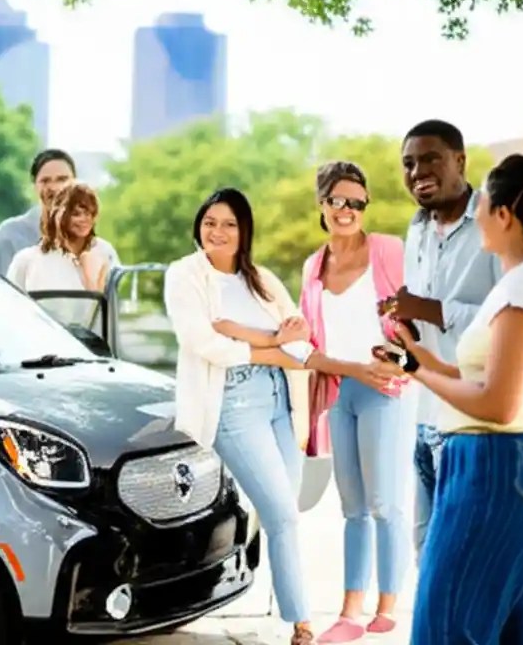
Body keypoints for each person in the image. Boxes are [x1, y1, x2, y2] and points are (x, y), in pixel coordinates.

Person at [388, 154, 523, 645]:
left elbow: (496, 403)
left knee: (445, 631)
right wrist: (418, 358)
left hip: (498, 469)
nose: (475, 214)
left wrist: (417, 372)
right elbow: (480, 378)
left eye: (482, 205)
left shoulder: (521, 289)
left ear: (503, 214)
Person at [163, 187, 316, 645]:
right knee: (284, 515)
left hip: (280, 400)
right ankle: (300, 622)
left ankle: (276, 609)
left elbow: (301, 340)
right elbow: (203, 342)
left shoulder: (263, 279)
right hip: (231, 403)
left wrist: (245, 336)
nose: (218, 231)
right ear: (199, 226)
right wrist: (273, 345)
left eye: (229, 223)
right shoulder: (185, 275)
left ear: (244, 230)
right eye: (210, 222)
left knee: (282, 513)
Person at [297, 162, 412, 642]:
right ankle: (350, 610)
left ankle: (387, 607)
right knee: (353, 508)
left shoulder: (387, 250)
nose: (347, 210)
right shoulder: (313, 266)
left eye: (357, 202)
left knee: (385, 502)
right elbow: (309, 343)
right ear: (323, 204)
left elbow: (418, 314)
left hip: (386, 389)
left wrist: (402, 358)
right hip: (340, 392)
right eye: (338, 201)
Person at [387, 119, 502, 558]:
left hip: (471, 423)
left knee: (465, 555)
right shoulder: (416, 229)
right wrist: (406, 332)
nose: (418, 171)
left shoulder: (496, 224)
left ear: (460, 160)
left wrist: (429, 310)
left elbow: (510, 322)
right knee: (426, 553)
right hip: (425, 416)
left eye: (431, 158)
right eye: (409, 163)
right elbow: (422, 310)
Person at [6, 183, 118, 326]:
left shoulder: (104, 252)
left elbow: (113, 313)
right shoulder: (28, 260)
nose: (84, 219)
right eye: (76, 214)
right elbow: (10, 309)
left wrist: (92, 279)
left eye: (88, 213)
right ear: (60, 215)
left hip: (92, 346)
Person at [0, 149, 79, 274]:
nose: (55, 187)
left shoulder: (90, 240)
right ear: (34, 186)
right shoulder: (9, 236)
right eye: (45, 181)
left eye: (62, 179)